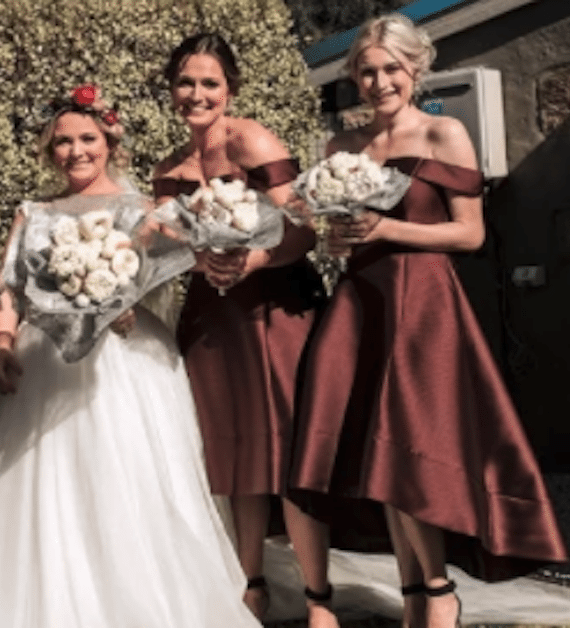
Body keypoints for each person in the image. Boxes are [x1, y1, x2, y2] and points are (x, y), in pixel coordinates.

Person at [0, 86, 260, 627]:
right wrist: (2, 343)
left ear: (110, 142)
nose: (75, 151)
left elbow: (177, 265)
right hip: (44, 359)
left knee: (128, 481)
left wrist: (128, 299)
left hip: (127, 363)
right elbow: (8, 285)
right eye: (63, 142)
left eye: (87, 139)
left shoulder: (144, 210)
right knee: (43, 487)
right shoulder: (33, 212)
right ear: (48, 150)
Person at [284, 14, 567, 628]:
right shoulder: (341, 149)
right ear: (353, 79)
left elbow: (470, 234)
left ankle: (438, 592)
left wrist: (388, 229)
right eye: (366, 71)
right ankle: (416, 596)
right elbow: (333, 229)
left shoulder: (444, 134)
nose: (379, 81)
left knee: (408, 448)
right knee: (371, 448)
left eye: (391, 68)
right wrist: (336, 238)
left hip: (423, 308)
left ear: (415, 68)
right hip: (360, 305)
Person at [150, 32, 325, 621]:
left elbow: (303, 228)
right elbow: (172, 249)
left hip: (274, 305)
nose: (196, 94)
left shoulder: (252, 141)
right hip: (213, 313)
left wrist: (254, 258)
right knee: (234, 449)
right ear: (171, 88)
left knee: (289, 446)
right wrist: (198, 259)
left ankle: (318, 594)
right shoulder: (167, 169)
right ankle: (250, 585)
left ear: (231, 89)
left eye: (209, 83)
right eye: (185, 82)